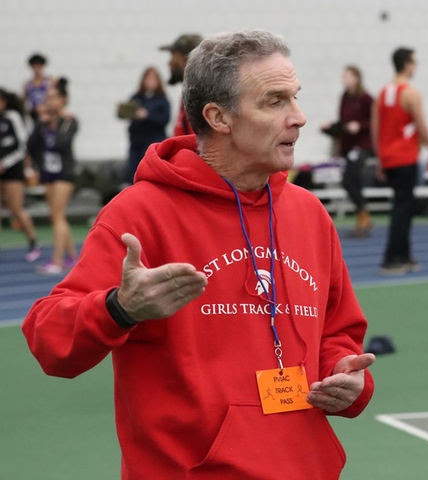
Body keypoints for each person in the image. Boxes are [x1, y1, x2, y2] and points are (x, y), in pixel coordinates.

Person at [21, 30, 375, 479]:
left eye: (296, 98)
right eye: (275, 101)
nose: (299, 117)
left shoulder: (309, 214)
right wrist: (119, 309)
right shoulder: (140, 212)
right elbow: (49, 341)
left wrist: (346, 376)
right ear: (218, 117)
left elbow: (338, 332)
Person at [371, 46, 428, 275]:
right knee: (401, 209)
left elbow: (375, 128)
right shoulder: (410, 93)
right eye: (414, 62)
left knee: (404, 207)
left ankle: (405, 255)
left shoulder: (383, 93)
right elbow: (422, 125)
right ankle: (391, 259)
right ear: (408, 64)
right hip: (406, 158)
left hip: (389, 158)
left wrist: (379, 158)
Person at [26, 77, 77, 275]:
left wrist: (53, 124)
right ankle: (72, 255)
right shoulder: (43, 123)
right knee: (57, 216)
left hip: (64, 173)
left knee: (57, 216)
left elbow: (61, 144)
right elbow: (31, 145)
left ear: (63, 100)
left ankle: (58, 261)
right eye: (48, 98)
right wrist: (40, 124)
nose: (49, 101)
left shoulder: (69, 121)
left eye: (54, 98)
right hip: (48, 173)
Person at [320, 65, 374, 238]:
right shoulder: (344, 97)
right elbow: (344, 124)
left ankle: (364, 214)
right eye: (343, 76)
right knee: (351, 181)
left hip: (363, 145)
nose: (344, 79)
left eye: (347, 76)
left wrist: (360, 125)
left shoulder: (366, 98)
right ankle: (363, 216)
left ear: (356, 78)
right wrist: (331, 127)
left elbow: (373, 122)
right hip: (348, 146)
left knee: (349, 180)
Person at [0, 88, 40, 261]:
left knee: (15, 208)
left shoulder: (12, 117)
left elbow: (22, 146)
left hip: (13, 170)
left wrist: (5, 163)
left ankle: (33, 241)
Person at [122, 66, 170, 183]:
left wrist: (147, 116)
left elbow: (164, 119)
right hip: (137, 142)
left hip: (153, 143)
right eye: (148, 79)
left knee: (151, 173)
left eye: (154, 79)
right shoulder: (136, 98)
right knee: (133, 173)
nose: (150, 82)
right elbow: (125, 114)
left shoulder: (162, 100)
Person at [159, 33, 203, 136]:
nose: (169, 63)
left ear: (186, 60)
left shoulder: (200, 98)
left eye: (173, 55)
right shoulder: (189, 93)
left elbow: (199, 145)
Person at [23, 52, 52, 127]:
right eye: (34, 67)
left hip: (49, 113)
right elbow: (24, 103)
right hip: (34, 115)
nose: (37, 69)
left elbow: (57, 98)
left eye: (39, 66)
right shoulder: (27, 85)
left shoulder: (50, 82)